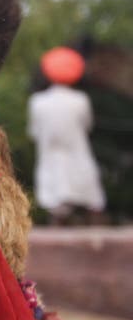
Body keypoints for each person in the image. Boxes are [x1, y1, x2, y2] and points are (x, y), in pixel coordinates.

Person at [27, 47, 106, 224]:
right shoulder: (81, 100)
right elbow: (87, 126)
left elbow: (34, 132)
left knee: (56, 204)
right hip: (78, 154)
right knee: (90, 197)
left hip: (50, 156)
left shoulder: (37, 102)